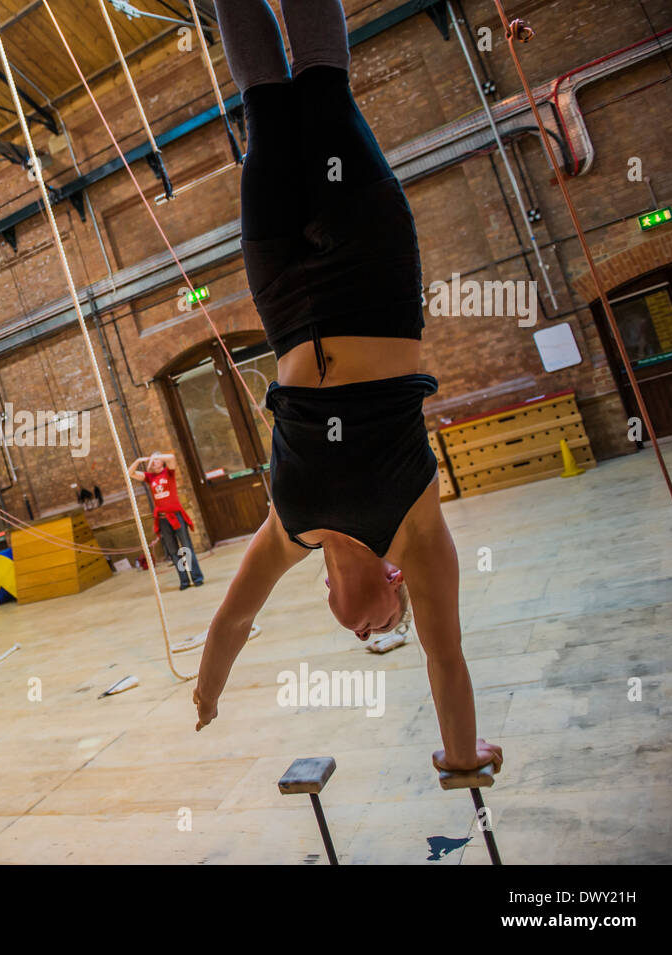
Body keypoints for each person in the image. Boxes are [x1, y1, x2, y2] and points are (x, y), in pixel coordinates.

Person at [194, 0, 502, 779]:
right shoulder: (418, 536)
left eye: (363, 636)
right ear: (395, 587)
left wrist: (207, 692)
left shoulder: (288, 528)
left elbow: (233, 619)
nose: (372, 629)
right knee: (324, 92)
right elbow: (448, 661)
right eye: (385, 630)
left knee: (266, 106)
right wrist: (463, 758)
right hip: (370, 260)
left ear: (330, 593)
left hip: (284, 289)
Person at [129, 451, 204, 589]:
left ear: (161, 461)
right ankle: (184, 581)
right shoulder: (150, 477)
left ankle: (197, 577)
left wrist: (156, 456)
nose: (155, 462)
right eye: (153, 460)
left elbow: (172, 458)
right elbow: (130, 473)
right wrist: (140, 460)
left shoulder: (169, 472)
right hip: (163, 520)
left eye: (157, 459)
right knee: (173, 552)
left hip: (176, 516)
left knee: (186, 547)